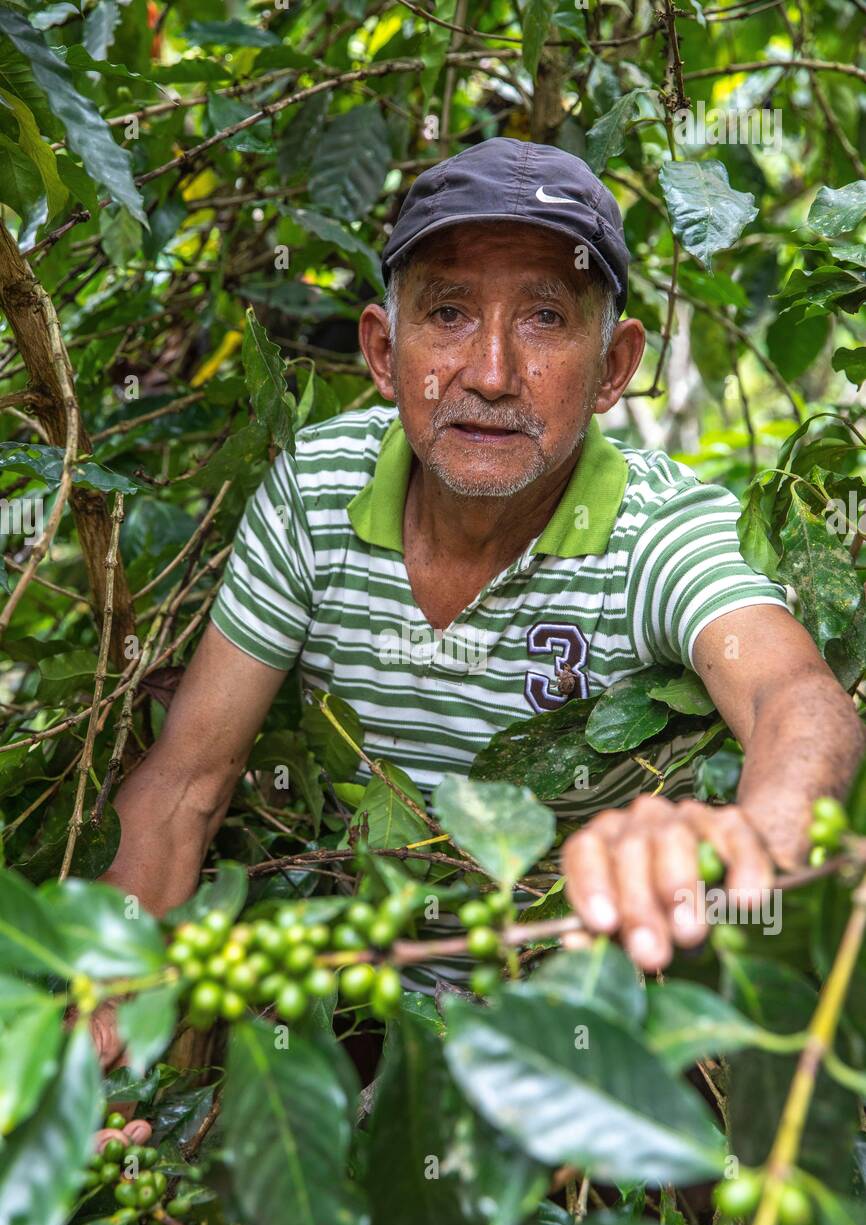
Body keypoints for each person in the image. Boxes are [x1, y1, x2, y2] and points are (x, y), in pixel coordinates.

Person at [95, 136, 863, 1067]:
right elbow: (185, 787)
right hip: (355, 1020)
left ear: (615, 366)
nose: (492, 373)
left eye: (545, 319)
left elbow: (793, 694)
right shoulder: (315, 492)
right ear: (383, 351)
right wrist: (107, 1014)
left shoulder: (654, 530)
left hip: (576, 1046)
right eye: (450, 313)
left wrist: (756, 838)